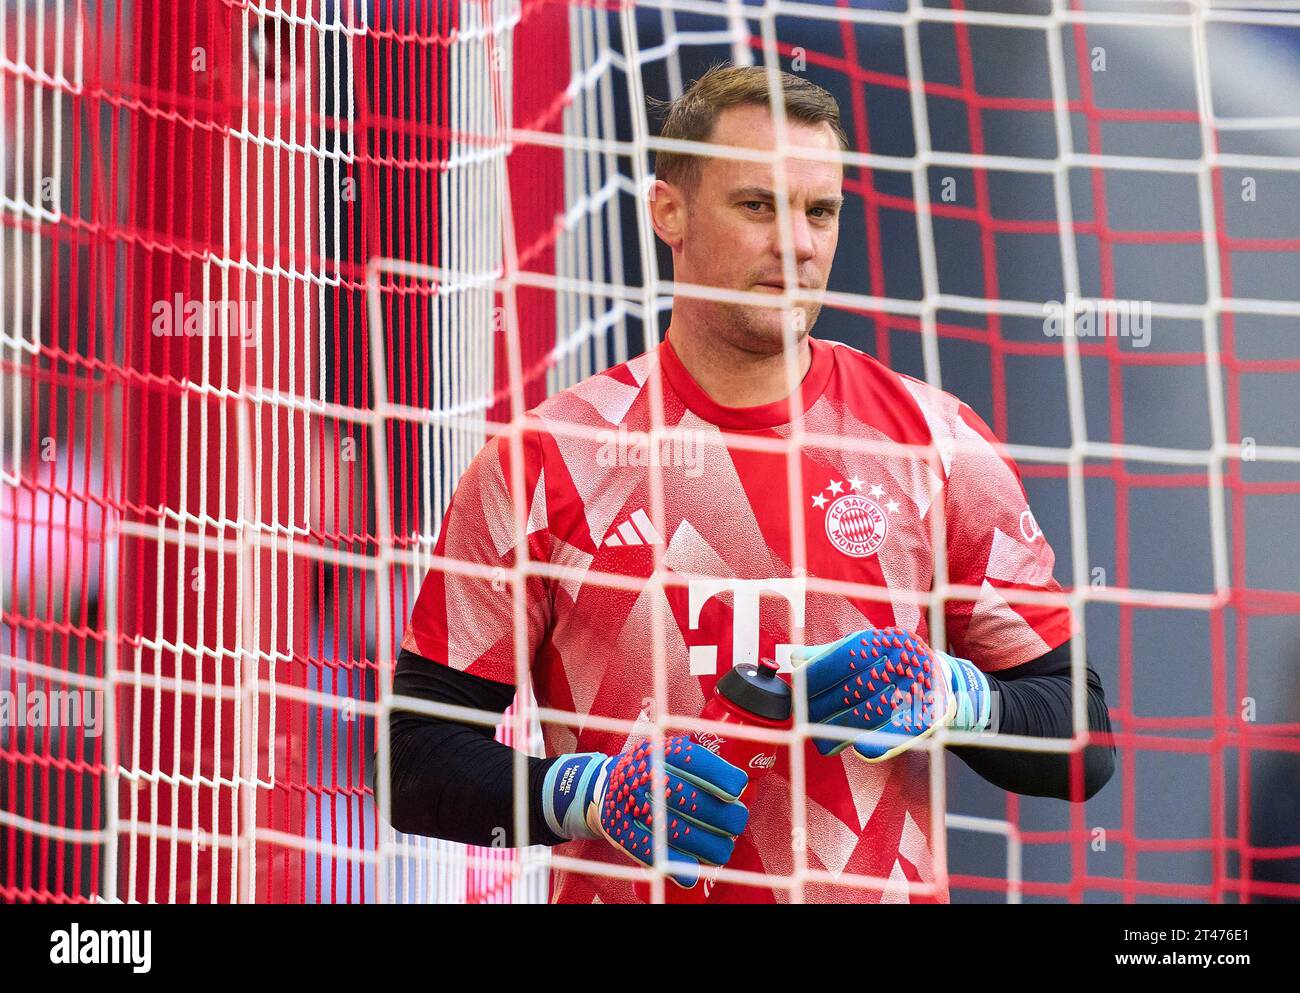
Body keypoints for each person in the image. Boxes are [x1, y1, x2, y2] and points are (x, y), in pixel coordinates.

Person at [385, 63, 1115, 904]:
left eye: (820, 210)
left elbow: (1084, 739)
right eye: (757, 205)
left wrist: (950, 694)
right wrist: (584, 794)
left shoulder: (937, 444)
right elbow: (415, 757)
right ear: (670, 212)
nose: (797, 244)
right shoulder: (547, 459)